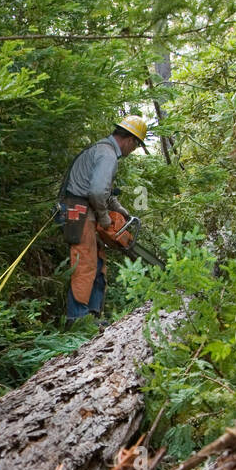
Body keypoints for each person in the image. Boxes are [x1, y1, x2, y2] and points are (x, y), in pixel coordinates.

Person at [59, 116, 149, 323]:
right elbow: (97, 192)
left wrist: (117, 208)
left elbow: (102, 190)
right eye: (135, 146)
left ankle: (92, 315)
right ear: (130, 140)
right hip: (79, 211)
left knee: (97, 262)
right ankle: (77, 319)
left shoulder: (102, 151)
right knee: (85, 263)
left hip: (82, 209)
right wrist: (104, 217)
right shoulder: (107, 154)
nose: (132, 151)